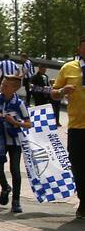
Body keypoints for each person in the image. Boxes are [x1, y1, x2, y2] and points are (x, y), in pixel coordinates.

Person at [0, 74, 31, 214]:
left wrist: (15, 122)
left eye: (5, 85)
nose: (2, 86)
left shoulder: (19, 104)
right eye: (2, 83)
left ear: (14, 89)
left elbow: (28, 124)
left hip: (15, 140)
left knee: (15, 170)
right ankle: (5, 187)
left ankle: (16, 201)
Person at [50, 34, 85, 219]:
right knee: (78, 166)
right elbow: (53, 93)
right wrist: (62, 91)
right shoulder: (68, 68)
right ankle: (83, 201)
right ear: (79, 49)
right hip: (77, 127)